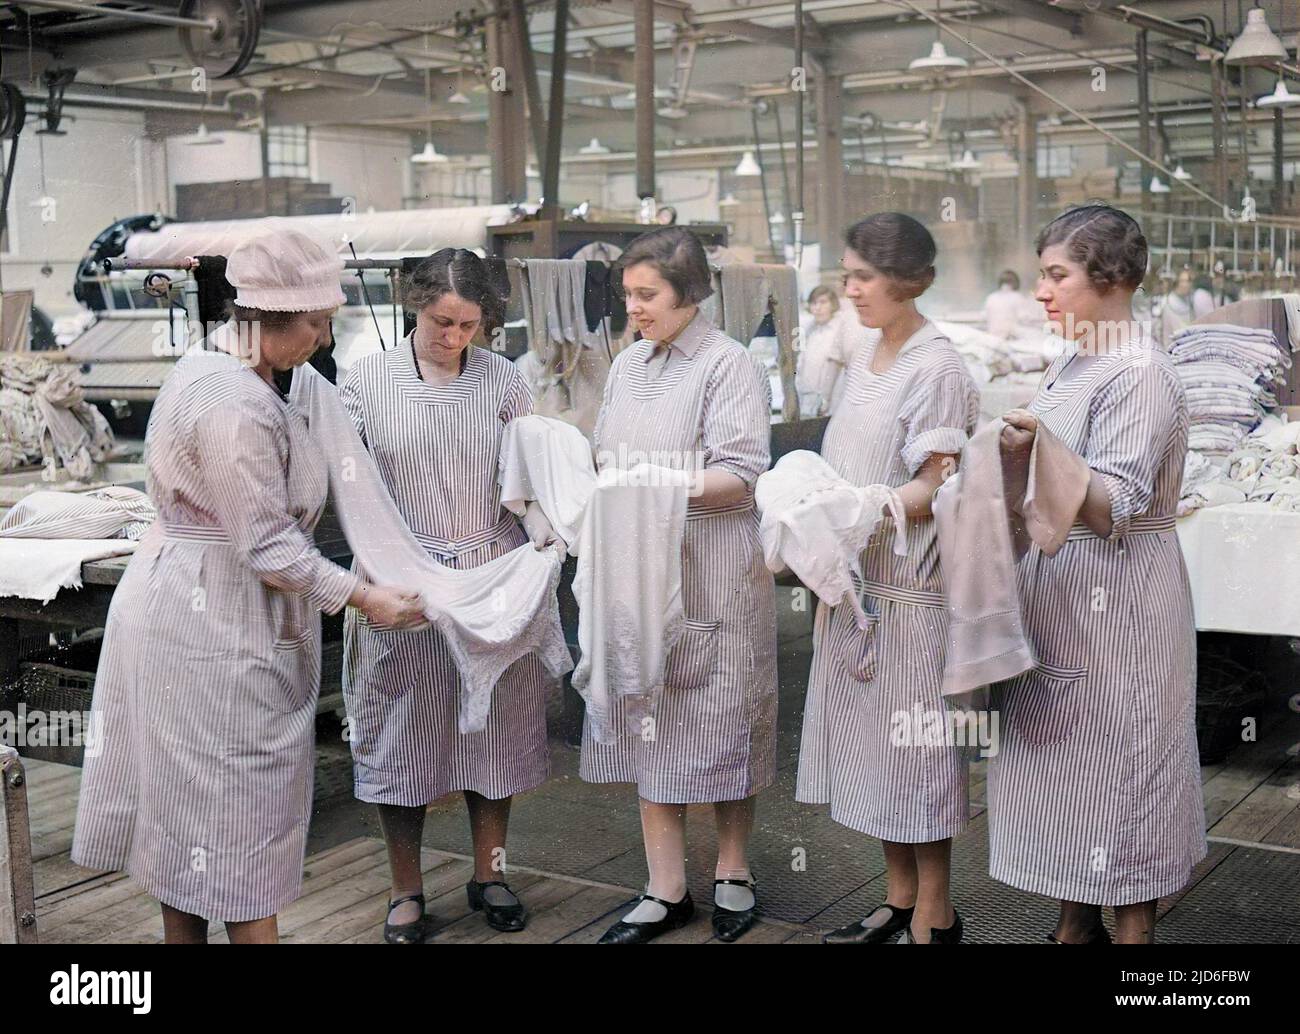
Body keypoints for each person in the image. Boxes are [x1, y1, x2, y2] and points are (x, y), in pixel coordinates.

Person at [70, 229, 427, 944]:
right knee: (233, 816)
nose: (324, 338)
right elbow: (267, 546)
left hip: (204, 605)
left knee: (210, 812)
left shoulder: (241, 371)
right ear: (267, 317)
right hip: (207, 627)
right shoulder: (232, 402)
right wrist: (364, 596)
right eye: (317, 323)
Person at [992, 205, 1205, 944]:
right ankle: (1071, 929)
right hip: (1065, 598)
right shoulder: (1074, 361)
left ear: (1110, 278)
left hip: (1121, 604)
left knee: (1125, 772)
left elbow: (1114, 504)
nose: (1041, 293)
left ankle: (1133, 941)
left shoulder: (1140, 373)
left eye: (1057, 276)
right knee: (1070, 783)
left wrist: (1035, 444)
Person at [339, 249, 563, 943]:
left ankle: (489, 872)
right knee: (400, 740)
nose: (455, 336)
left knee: (493, 739)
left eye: (470, 325)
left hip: (491, 579)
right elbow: (344, 487)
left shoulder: (505, 383)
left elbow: (533, 479)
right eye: (443, 321)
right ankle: (405, 890)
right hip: (403, 584)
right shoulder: (365, 383)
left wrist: (550, 535)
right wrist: (369, 580)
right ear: (415, 304)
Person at [580, 226, 778, 944]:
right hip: (641, 571)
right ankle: (666, 887)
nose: (634, 307)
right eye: (628, 294)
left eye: (648, 294)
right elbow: (607, 455)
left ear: (690, 294)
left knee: (724, 717)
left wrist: (657, 485)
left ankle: (732, 870)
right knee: (649, 717)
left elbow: (743, 472)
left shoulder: (727, 366)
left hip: (714, 570)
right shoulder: (629, 365)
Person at [796, 212, 980, 945]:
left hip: (911, 589)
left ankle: (936, 914)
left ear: (909, 283)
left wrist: (858, 512)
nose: (850, 291)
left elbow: (937, 481)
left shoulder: (937, 366)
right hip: (856, 583)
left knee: (915, 752)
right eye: (846, 276)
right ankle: (898, 899)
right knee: (871, 752)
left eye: (863, 278)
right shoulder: (869, 352)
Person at [796, 285, 859, 417]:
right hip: (808, 400)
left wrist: (826, 400)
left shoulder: (841, 329)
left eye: (823, 302)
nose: (818, 308)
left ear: (833, 304)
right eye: (814, 303)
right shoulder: (807, 330)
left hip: (835, 400)